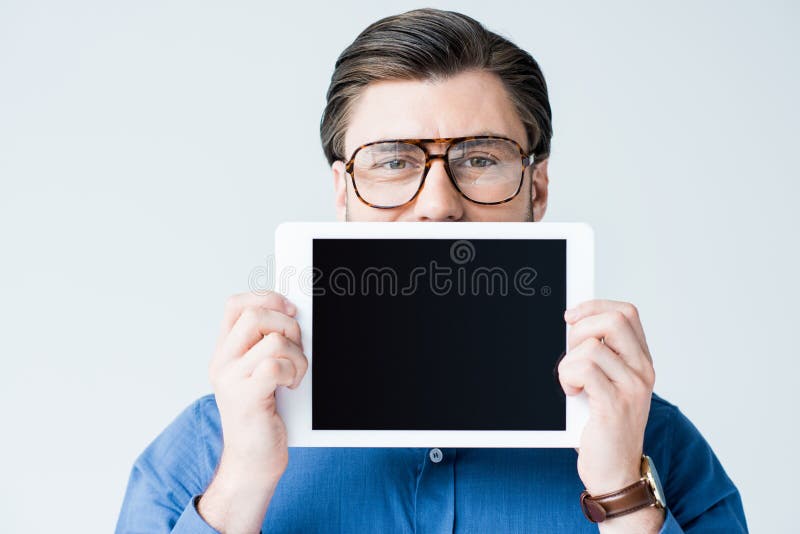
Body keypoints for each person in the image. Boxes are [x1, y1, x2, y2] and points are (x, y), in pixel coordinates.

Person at [115, 8, 748, 533]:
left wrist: (621, 495)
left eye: (480, 158)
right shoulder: (210, 443)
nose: (439, 205)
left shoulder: (653, 440)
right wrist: (240, 484)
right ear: (343, 193)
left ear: (539, 187)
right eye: (392, 161)